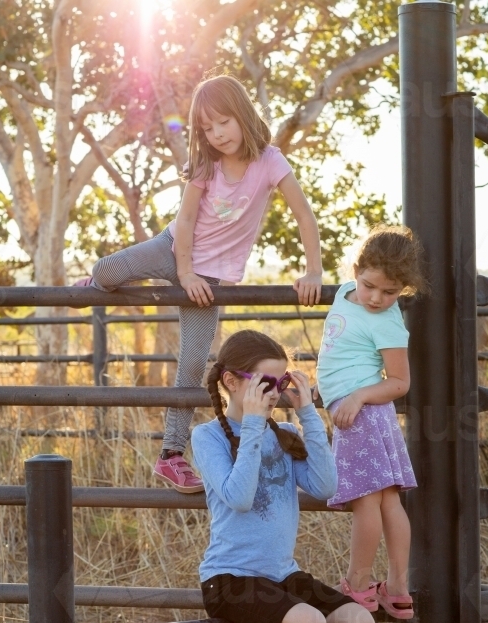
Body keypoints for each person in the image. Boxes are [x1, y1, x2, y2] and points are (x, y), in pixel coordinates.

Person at [77, 75, 323, 494]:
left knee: (192, 366)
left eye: (223, 122)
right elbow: (186, 221)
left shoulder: (270, 161)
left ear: (243, 114)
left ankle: (170, 455)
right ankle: (94, 278)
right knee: (108, 273)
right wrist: (184, 272)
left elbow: (304, 215)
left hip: (209, 280)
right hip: (172, 248)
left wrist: (313, 270)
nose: (216, 134)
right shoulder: (205, 164)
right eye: (206, 129)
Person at [191, 328, 376, 623]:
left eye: (281, 383)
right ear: (232, 382)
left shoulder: (284, 432)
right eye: (265, 384)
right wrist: (253, 424)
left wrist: (308, 413)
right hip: (229, 579)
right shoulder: (208, 437)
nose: (275, 393)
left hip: (280, 576)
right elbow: (238, 496)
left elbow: (326, 485)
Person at [315, 225, 427, 619]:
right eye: (370, 286)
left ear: (404, 289)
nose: (378, 298)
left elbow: (400, 382)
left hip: (361, 414)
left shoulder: (388, 322)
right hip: (364, 414)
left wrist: (359, 395)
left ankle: (358, 585)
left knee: (367, 502)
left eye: (391, 292)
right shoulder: (345, 293)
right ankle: (397, 589)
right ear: (356, 270)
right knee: (387, 499)